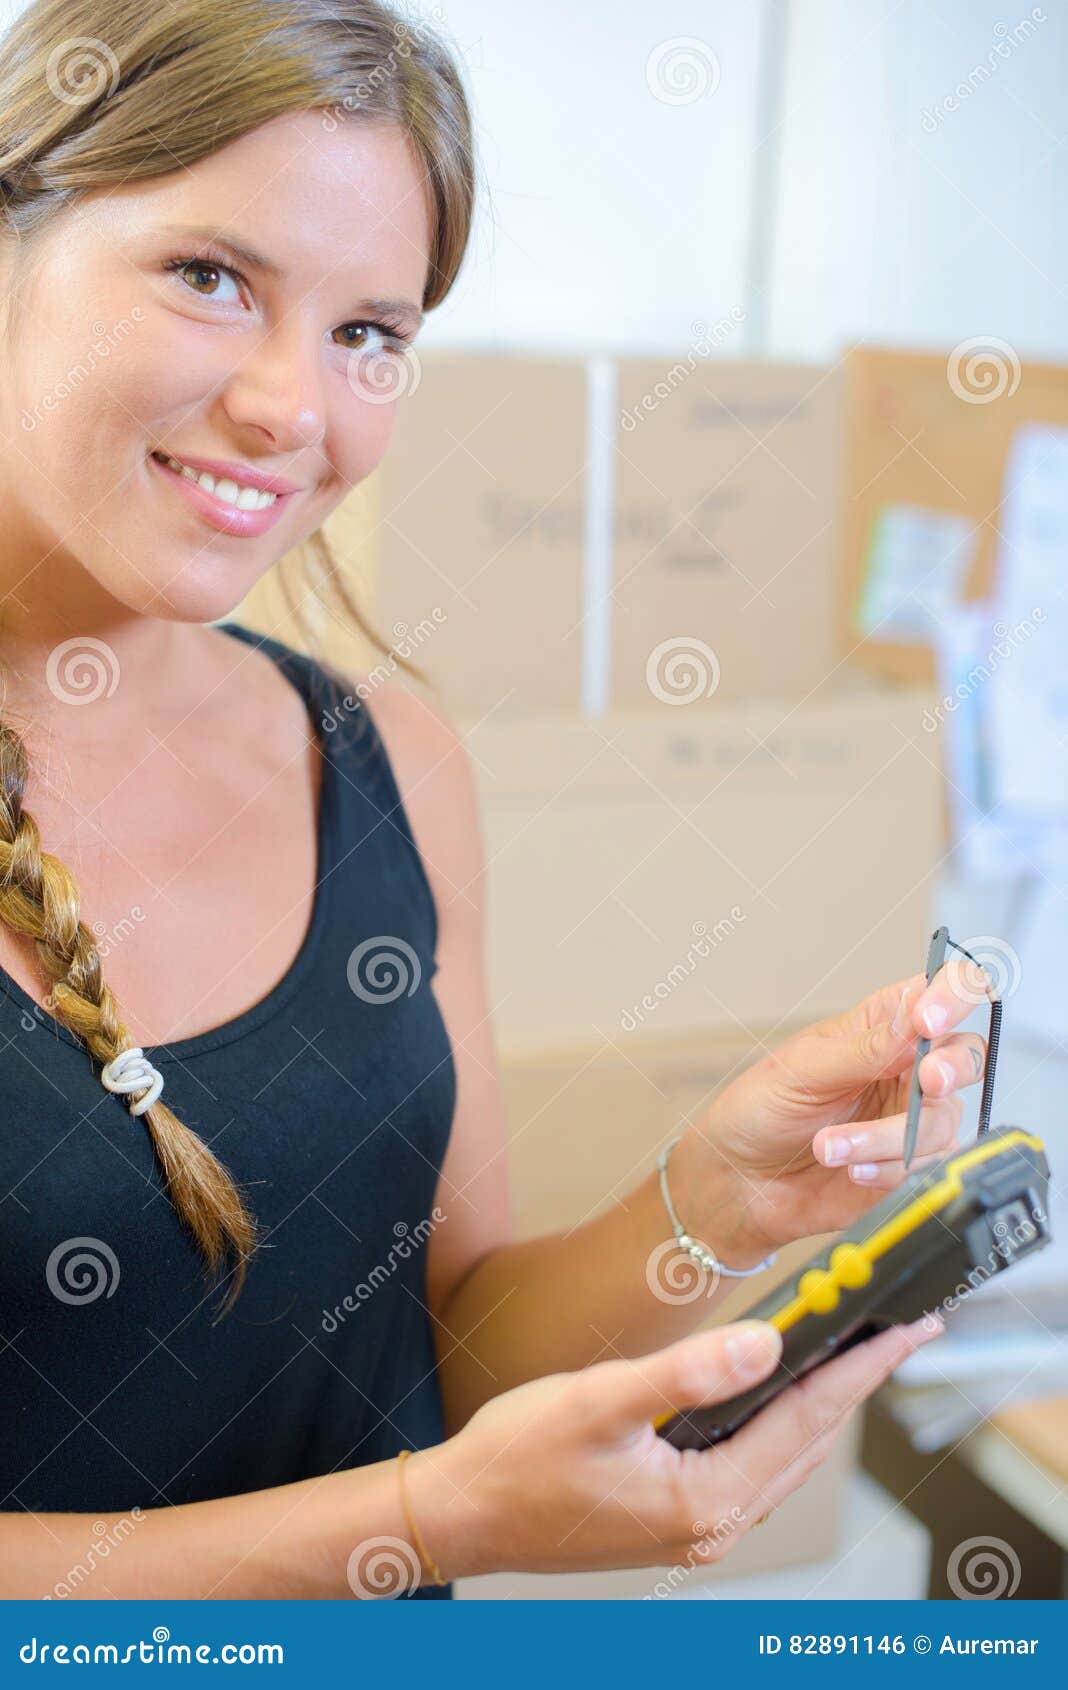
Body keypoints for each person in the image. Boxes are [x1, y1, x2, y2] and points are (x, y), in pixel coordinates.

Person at [0, 0, 982, 1600]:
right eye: (209, 276)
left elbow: (449, 1344)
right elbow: (436, 1486)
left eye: (368, 332)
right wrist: (420, 1526)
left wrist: (712, 1199)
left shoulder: (386, 763)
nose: (291, 406)